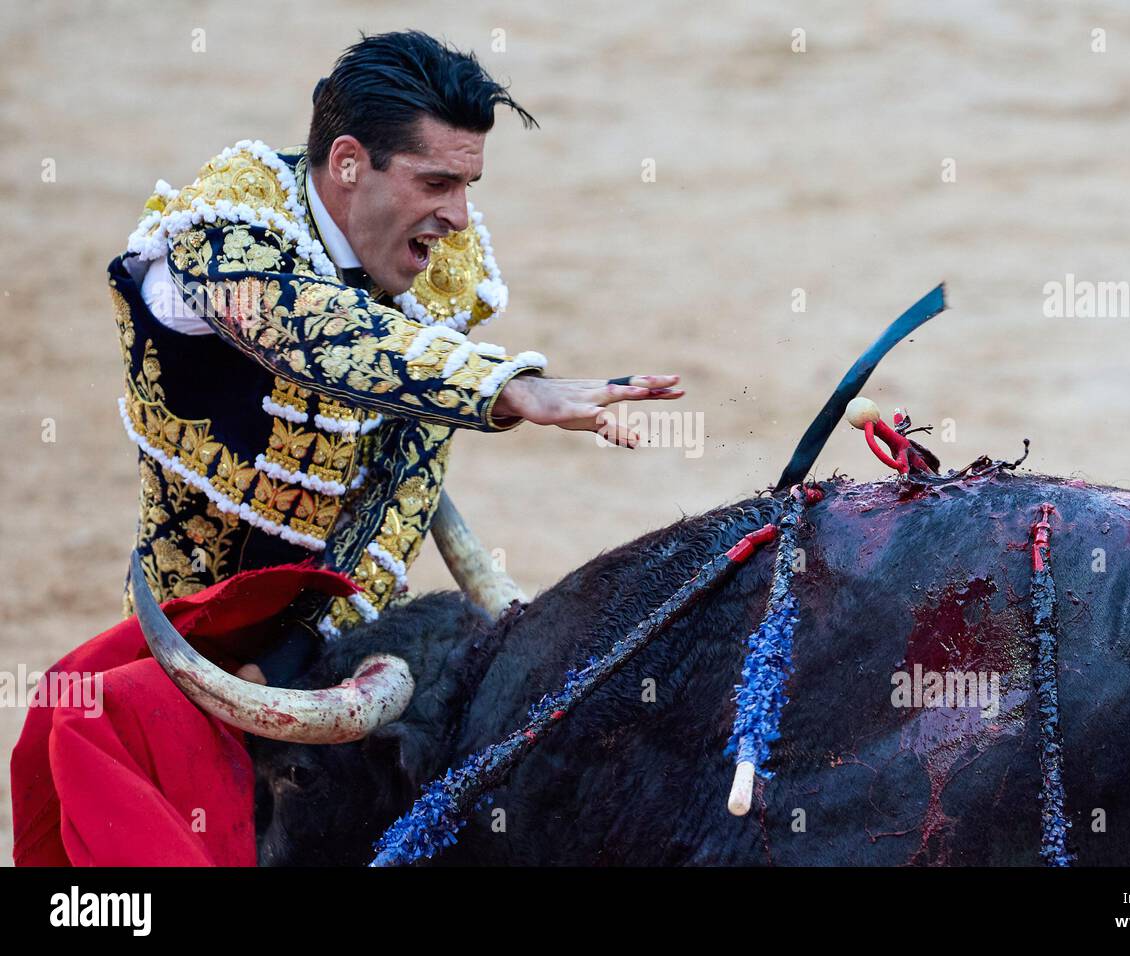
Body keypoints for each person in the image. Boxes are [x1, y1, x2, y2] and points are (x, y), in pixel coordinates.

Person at [11, 30, 684, 866]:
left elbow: (409, 481)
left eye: (469, 184)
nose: (458, 216)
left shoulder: (441, 268)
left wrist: (322, 657)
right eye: (437, 182)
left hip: (328, 649)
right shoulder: (223, 230)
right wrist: (505, 386)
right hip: (189, 644)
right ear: (348, 162)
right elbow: (316, 338)